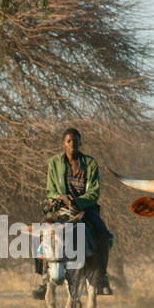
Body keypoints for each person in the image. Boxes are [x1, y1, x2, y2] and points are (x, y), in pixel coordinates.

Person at [32, 127, 113, 298]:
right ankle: (42, 279)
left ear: (80, 143)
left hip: (85, 208)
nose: (72, 144)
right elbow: (50, 189)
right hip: (59, 207)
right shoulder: (55, 162)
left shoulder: (90, 164)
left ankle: (101, 277)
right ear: (64, 144)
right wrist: (59, 197)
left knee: (104, 235)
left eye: (75, 141)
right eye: (69, 141)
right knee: (38, 233)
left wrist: (77, 202)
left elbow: (94, 192)